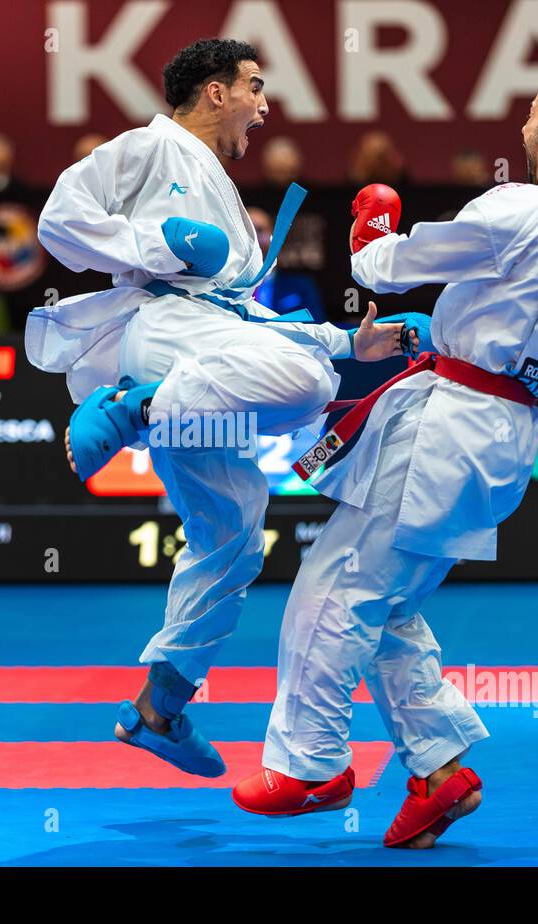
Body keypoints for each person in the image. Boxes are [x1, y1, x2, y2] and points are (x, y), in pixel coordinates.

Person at [232, 74, 538, 848]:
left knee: (338, 586)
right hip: (506, 429)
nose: (522, 124)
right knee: (390, 606)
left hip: (448, 424)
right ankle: (440, 770)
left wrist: (370, 229)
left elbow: (385, 269)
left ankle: (310, 764)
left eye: (531, 112)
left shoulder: (518, 205)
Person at [26, 38, 410, 778]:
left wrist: (346, 341)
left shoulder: (224, 194)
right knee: (308, 388)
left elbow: (243, 318)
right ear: (213, 92)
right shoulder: (151, 146)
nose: (263, 107)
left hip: (206, 356)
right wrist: (159, 241)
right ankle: (133, 408)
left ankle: (158, 709)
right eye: (254, 88)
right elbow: (57, 222)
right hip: (166, 336)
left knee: (233, 535)